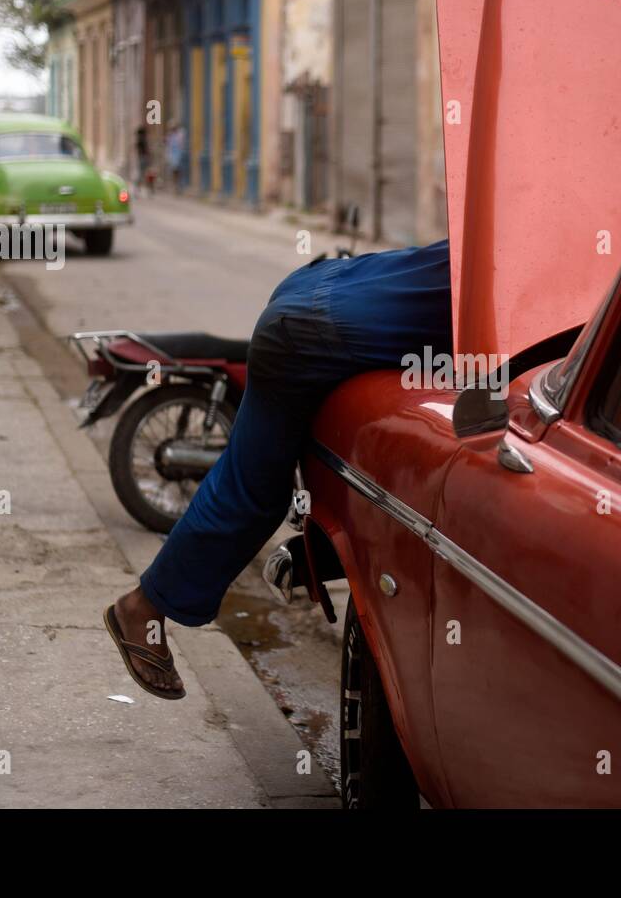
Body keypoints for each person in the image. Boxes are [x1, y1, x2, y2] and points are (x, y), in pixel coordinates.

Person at [104, 240, 453, 698]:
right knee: (256, 493)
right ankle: (143, 608)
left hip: (314, 285)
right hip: (310, 331)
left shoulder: (504, 231)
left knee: (256, 479)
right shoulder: (525, 289)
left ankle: (147, 604)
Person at [166, 123, 186, 194]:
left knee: (178, 172)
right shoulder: (170, 136)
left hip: (178, 156)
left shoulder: (179, 135)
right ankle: (175, 186)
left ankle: (178, 186)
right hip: (173, 156)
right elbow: (169, 146)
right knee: (174, 171)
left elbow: (181, 144)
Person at [134, 126, 151, 194]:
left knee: (141, 174)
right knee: (143, 174)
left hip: (141, 158)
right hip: (143, 158)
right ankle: (144, 189)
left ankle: (138, 189)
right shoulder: (142, 140)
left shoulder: (139, 140)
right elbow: (146, 150)